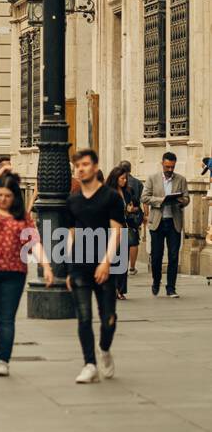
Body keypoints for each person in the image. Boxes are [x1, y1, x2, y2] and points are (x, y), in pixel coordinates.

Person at [0, 169, 51, 377]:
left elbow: (35, 243)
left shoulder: (22, 218)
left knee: (6, 319)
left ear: (15, 197)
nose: (3, 199)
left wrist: (47, 266)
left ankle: (3, 360)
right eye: (0, 194)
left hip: (13, 274)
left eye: (8, 196)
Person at [67, 149, 126, 383]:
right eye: (77, 166)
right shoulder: (73, 200)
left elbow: (116, 232)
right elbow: (70, 236)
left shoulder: (110, 197)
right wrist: (70, 270)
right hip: (80, 266)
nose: (80, 169)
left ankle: (104, 349)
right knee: (83, 317)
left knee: (108, 317)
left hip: (105, 265)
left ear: (95, 166)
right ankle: (89, 364)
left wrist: (106, 262)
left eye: (85, 165)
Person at [142, 152, 190, 298]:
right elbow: (144, 197)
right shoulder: (152, 179)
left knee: (174, 256)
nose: (170, 170)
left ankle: (171, 288)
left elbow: (187, 198)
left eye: (172, 167)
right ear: (162, 163)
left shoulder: (181, 179)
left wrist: (182, 200)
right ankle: (156, 281)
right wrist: (160, 200)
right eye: (167, 166)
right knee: (156, 256)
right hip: (157, 222)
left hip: (173, 222)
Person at [104, 165, 135, 300]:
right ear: (115, 178)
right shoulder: (107, 192)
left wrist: (131, 210)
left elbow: (132, 206)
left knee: (123, 260)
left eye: (126, 178)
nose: (125, 181)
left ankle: (121, 289)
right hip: (111, 229)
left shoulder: (127, 192)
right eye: (122, 178)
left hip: (123, 227)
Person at [121, 160, 145, 275]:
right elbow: (143, 199)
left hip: (122, 216)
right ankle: (132, 267)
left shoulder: (116, 182)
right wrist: (146, 213)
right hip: (134, 215)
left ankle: (123, 265)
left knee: (122, 241)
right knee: (134, 241)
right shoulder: (138, 183)